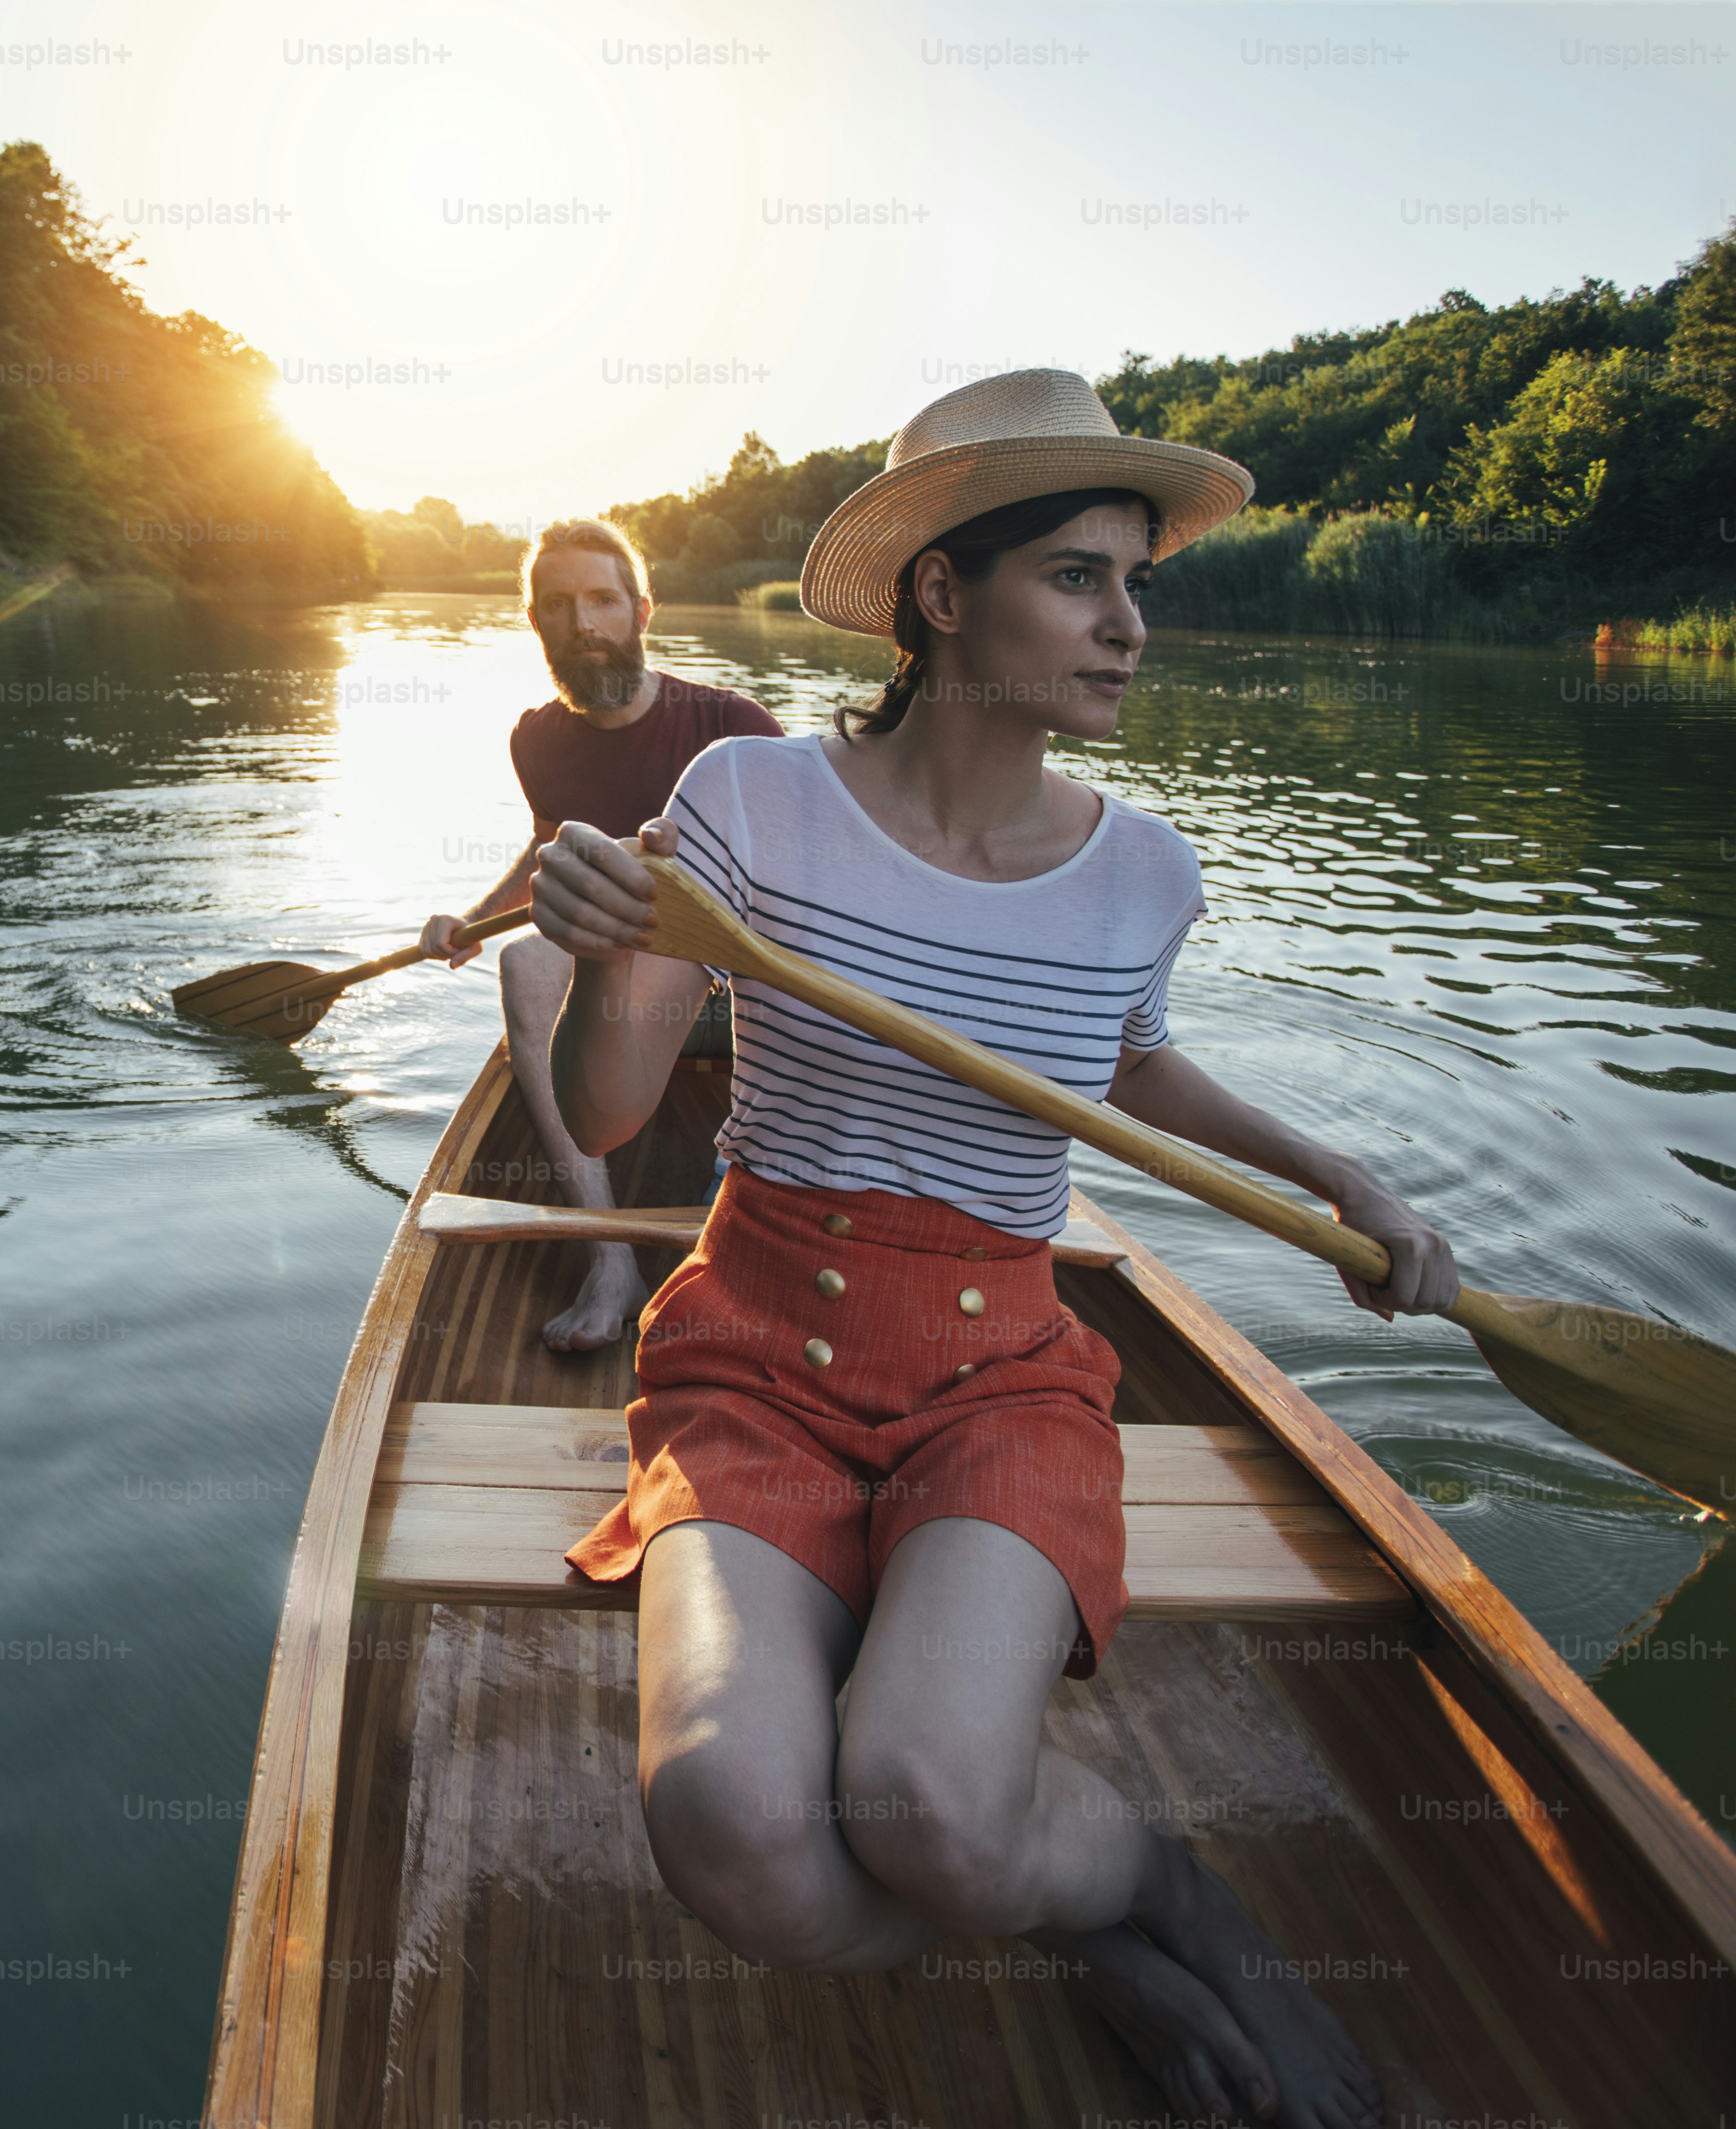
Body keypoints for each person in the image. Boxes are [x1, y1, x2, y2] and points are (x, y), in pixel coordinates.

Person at [525, 371, 1454, 2129]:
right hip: (752, 1355)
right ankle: (1079, 1921)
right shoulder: (749, 804)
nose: (1130, 627)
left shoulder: (1141, 872)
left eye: (1139, 584)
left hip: (999, 1372)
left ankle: (1154, 1888)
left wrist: (1347, 1183)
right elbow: (612, 1091)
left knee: (933, 1807)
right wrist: (598, 951)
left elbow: (1130, 1064)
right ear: (943, 596)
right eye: (1081, 580)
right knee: (739, 1834)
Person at [418, 517, 781, 1352]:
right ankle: (608, 1258)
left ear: (642, 613)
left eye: (603, 601)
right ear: (535, 622)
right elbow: (547, 849)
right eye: (558, 605)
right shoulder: (537, 737)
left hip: (739, 994)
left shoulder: (733, 729)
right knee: (524, 961)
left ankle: (758, 1204)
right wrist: (471, 919)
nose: (583, 624)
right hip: (610, 990)